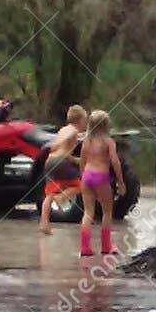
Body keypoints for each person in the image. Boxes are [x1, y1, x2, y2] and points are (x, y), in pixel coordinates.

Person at [77, 110, 124, 257]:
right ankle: (106, 246)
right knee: (107, 212)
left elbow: (82, 160)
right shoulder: (108, 142)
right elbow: (115, 162)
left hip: (87, 175)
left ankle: (85, 247)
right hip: (101, 176)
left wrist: (82, 176)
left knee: (88, 212)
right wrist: (120, 181)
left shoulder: (86, 141)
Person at [39, 104, 87, 235]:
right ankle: (61, 198)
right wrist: (58, 144)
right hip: (61, 162)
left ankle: (43, 223)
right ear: (80, 120)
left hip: (50, 161)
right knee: (82, 185)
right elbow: (64, 144)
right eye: (84, 120)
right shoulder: (74, 131)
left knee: (49, 194)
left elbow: (64, 151)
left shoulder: (62, 129)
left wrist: (75, 159)